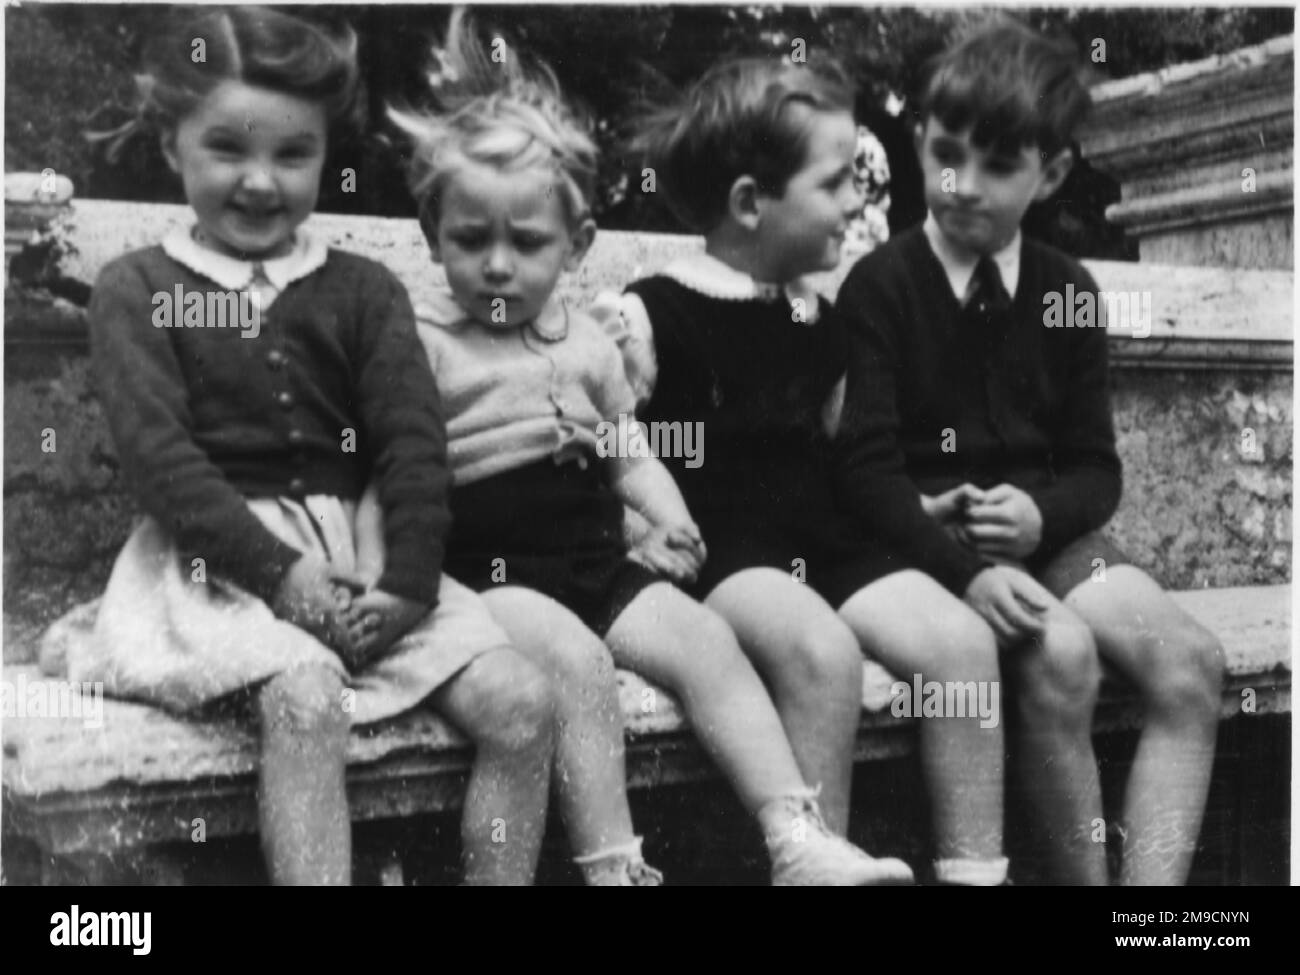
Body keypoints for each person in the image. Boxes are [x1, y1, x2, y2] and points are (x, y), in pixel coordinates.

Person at [381, 9, 913, 885]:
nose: (499, 267)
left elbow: (628, 447)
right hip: (494, 573)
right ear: (435, 234)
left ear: (577, 244)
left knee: (706, 640)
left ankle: (795, 832)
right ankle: (615, 865)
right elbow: (397, 470)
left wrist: (665, 517)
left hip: (596, 558)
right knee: (580, 665)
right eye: (471, 241)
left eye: (527, 242)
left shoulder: (589, 342)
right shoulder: (425, 343)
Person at [71, 5, 556, 885]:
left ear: (325, 154)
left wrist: (407, 582)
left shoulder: (363, 290)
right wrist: (280, 573)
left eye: (292, 154)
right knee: (304, 699)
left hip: (364, 562)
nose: (260, 181)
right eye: (227, 148)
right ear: (172, 143)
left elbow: (412, 441)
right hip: (211, 571)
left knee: (521, 700)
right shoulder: (137, 288)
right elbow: (162, 464)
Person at [599, 53, 1009, 886]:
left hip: (827, 540)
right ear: (751, 202)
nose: (858, 202)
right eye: (834, 184)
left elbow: (846, 457)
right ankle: (819, 867)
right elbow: (609, 444)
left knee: (964, 645)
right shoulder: (653, 314)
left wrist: (917, 509)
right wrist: (640, 530)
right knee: (823, 653)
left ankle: (976, 875)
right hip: (727, 553)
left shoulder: (822, 317)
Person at [836, 17, 1224, 884]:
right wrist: (962, 563)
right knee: (1061, 654)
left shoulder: (1066, 292)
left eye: (999, 165)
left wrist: (1041, 511)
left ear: (1049, 174)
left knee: (1190, 663)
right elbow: (863, 469)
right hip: (924, 548)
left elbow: (1097, 467)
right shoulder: (883, 287)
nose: (964, 185)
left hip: (1049, 543)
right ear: (919, 141)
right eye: (947, 154)